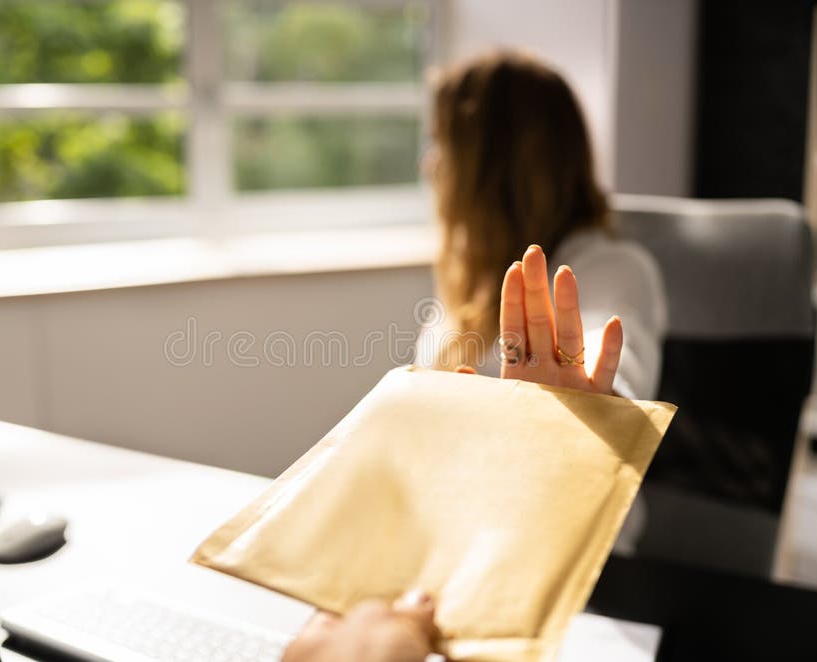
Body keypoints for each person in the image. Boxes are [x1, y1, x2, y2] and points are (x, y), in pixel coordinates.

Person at [284, 243, 628, 661]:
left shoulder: (611, 266)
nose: (428, 172)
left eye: (438, 169)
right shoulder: (460, 273)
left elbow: (626, 378)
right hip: (455, 556)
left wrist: (584, 426)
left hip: (583, 582)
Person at [416, 50, 666, 401]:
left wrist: (594, 400)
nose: (429, 164)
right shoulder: (476, 273)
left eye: (443, 145)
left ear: (493, 171)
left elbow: (617, 368)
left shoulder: (612, 270)